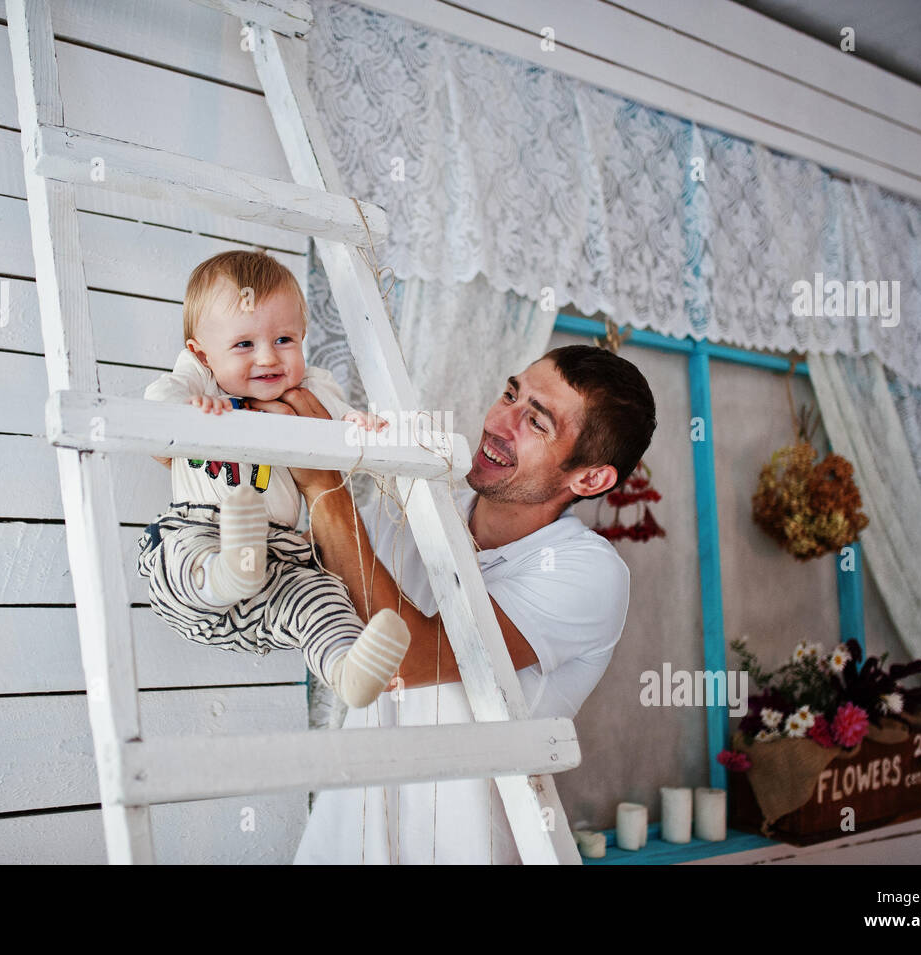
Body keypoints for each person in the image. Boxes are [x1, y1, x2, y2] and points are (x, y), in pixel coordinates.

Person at [247, 343, 657, 864]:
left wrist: (324, 483)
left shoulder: (589, 572)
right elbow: (287, 578)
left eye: (536, 422)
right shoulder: (413, 511)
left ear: (591, 478)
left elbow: (410, 659)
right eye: (511, 394)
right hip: (349, 841)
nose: (498, 422)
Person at [138, 250, 409, 709]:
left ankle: (346, 667)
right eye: (244, 345)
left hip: (274, 558)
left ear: (303, 338)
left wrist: (363, 427)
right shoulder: (201, 387)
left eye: (284, 339)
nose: (268, 357)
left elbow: (344, 428)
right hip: (201, 538)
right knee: (185, 551)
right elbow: (155, 411)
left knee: (319, 591)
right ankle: (224, 575)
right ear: (202, 354)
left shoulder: (309, 392)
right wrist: (191, 411)